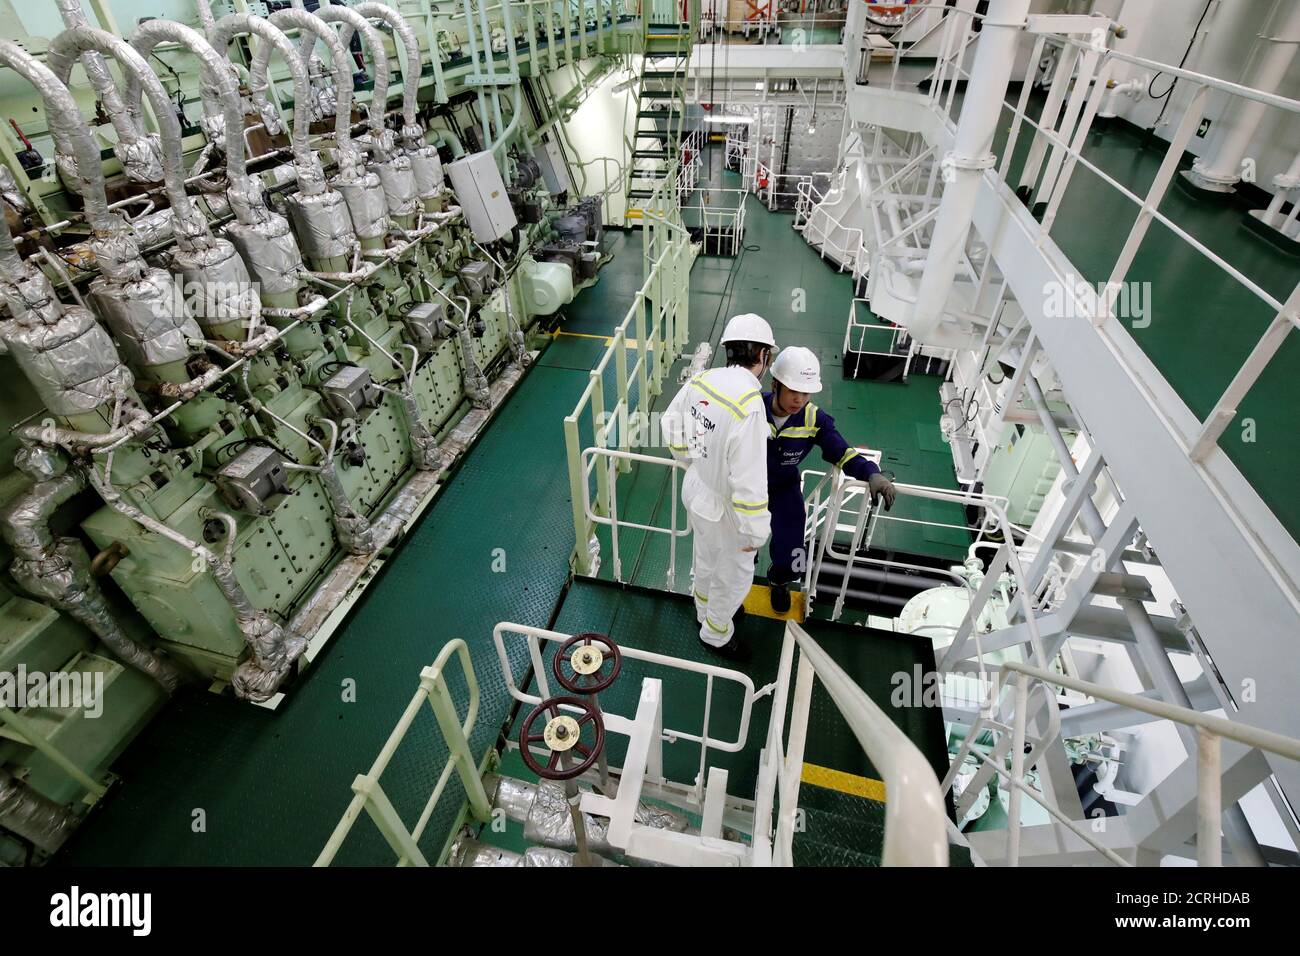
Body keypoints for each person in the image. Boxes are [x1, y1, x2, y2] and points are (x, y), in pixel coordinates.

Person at [663, 313, 775, 659]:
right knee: (733, 576)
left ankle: (704, 611)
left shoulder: (703, 380)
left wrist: (694, 461)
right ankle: (716, 633)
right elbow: (749, 481)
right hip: (727, 511)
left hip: (697, 491)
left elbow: (670, 424)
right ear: (763, 356)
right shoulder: (749, 406)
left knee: (706, 557)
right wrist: (755, 533)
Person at [763, 346, 896, 614]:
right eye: (793, 390)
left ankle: (780, 580)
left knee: (793, 546)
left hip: (784, 487)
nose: (799, 399)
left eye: (806, 393)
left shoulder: (814, 419)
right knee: (741, 542)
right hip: (746, 485)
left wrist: (871, 472)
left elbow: (841, 451)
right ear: (775, 384)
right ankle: (740, 577)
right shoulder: (752, 407)